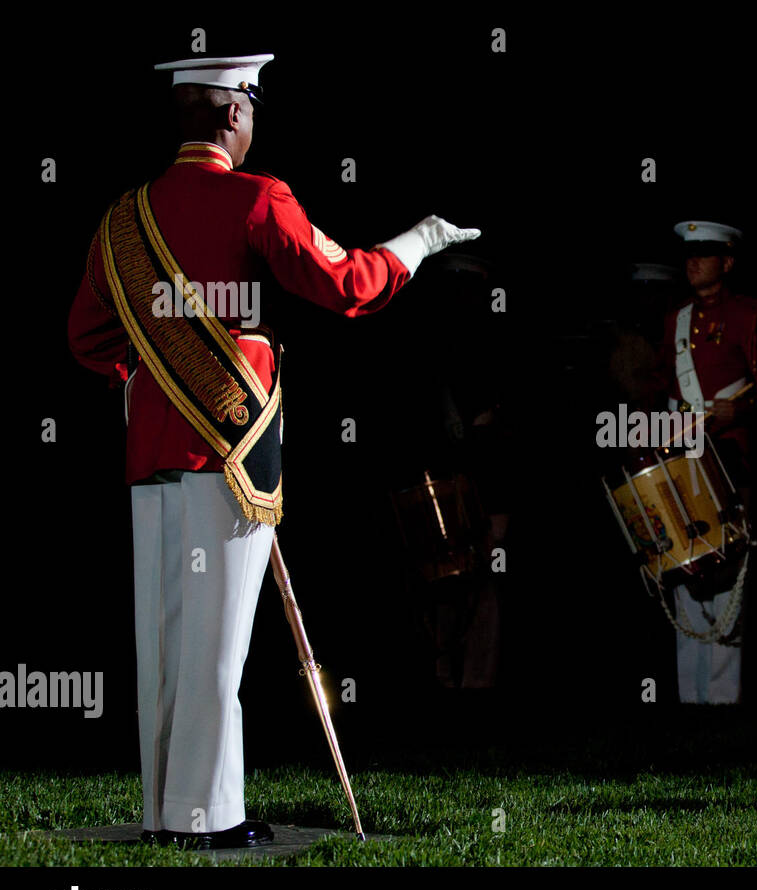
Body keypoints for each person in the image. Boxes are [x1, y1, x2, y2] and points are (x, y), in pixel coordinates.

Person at [66, 54, 480, 848]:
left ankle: (164, 812)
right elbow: (345, 283)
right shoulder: (258, 197)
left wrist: (151, 378)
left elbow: (86, 336)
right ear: (234, 113)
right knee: (216, 652)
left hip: (150, 452)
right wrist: (420, 241)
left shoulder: (122, 219)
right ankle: (207, 821)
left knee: (162, 647)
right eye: (252, 107)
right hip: (230, 453)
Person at [656, 221, 757, 703]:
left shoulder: (752, 314)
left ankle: (722, 694)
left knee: (727, 573)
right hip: (683, 460)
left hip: (732, 461)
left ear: (727, 262)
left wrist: (743, 410)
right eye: (688, 254)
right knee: (685, 569)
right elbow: (667, 390)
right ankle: (690, 694)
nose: (693, 262)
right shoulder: (675, 319)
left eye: (704, 254)